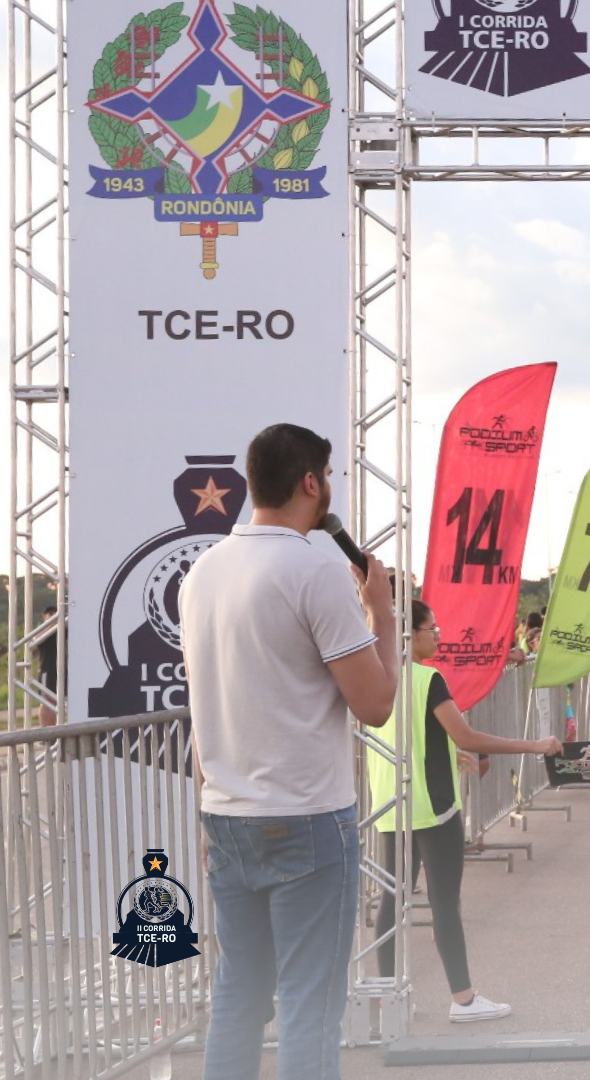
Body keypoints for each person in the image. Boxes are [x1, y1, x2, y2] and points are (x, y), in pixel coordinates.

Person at [180, 424, 399, 1080]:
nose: (328, 487)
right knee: (310, 1002)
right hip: (307, 816)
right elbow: (377, 705)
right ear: (311, 481)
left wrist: (209, 803)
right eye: (327, 475)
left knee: (240, 995)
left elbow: (202, 707)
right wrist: (382, 615)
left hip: (226, 813)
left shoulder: (203, 572)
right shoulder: (316, 567)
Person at [370, 602, 562, 1023]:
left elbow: (408, 734)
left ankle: (386, 1002)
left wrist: (445, 748)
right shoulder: (428, 678)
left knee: (391, 901)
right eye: (430, 628)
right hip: (434, 806)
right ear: (410, 635)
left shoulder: (376, 676)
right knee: (444, 904)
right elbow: (468, 734)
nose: (437, 635)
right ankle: (464, 999)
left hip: (390, 804)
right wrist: (533, 746)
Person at [35, 603, 59, 726]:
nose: (53, 616)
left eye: (55, 613)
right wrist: (50, 625)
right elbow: (35, 640)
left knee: (55, 702)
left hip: (58, 670)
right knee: (46, 702)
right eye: (50, 614)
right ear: (43, 616)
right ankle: (45, 731)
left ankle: (53, 731)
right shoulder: (42, 629)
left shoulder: (60, 630)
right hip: (47, 670)